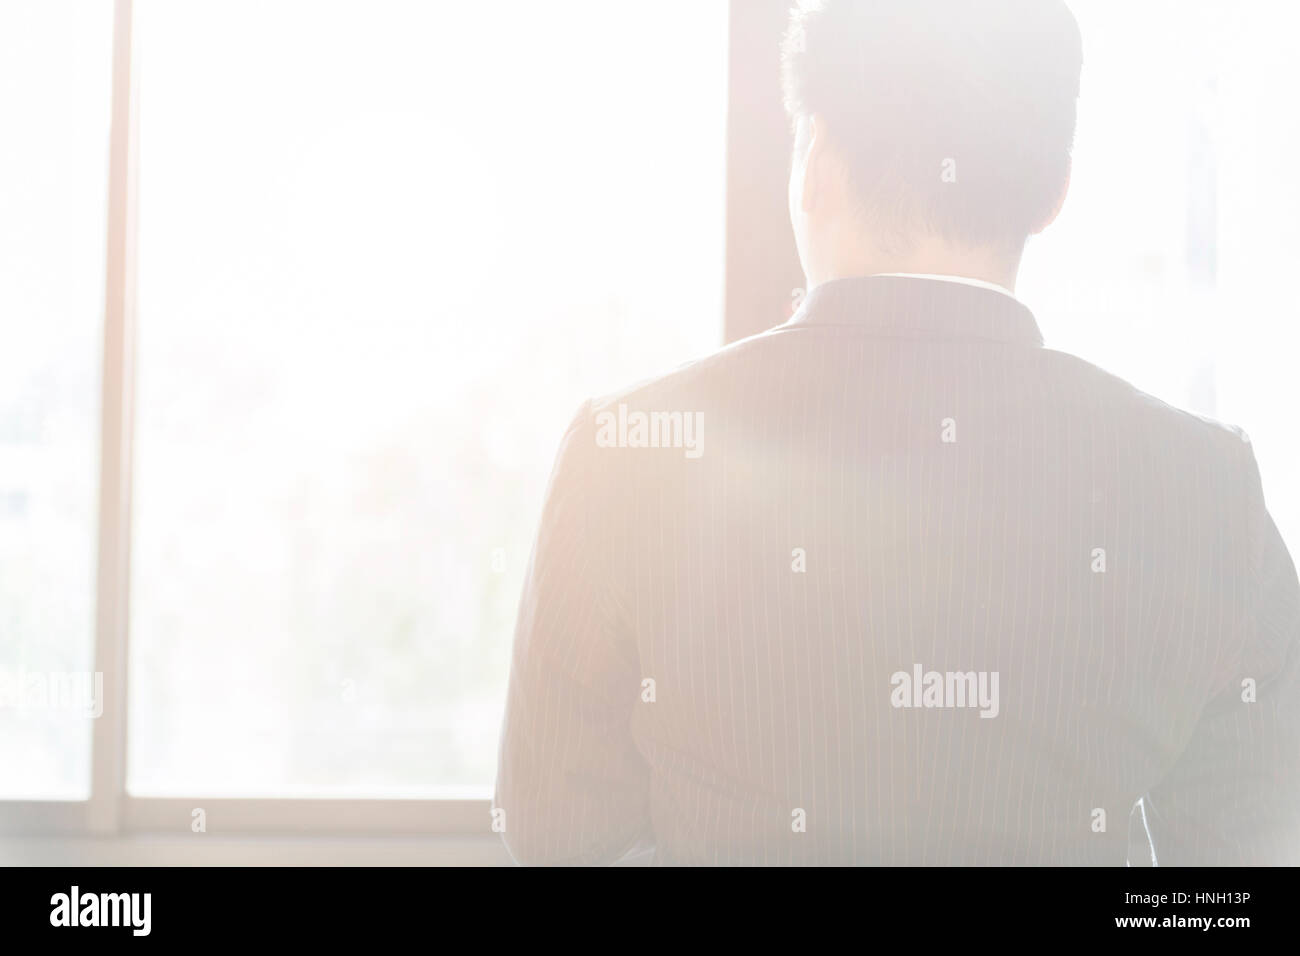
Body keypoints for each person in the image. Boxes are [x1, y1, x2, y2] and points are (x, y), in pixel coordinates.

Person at [494, 0, 1300, 865]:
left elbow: (557, 847)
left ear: (813, 165)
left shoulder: (623, 458)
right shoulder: (1206, 487)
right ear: (1054, 192)